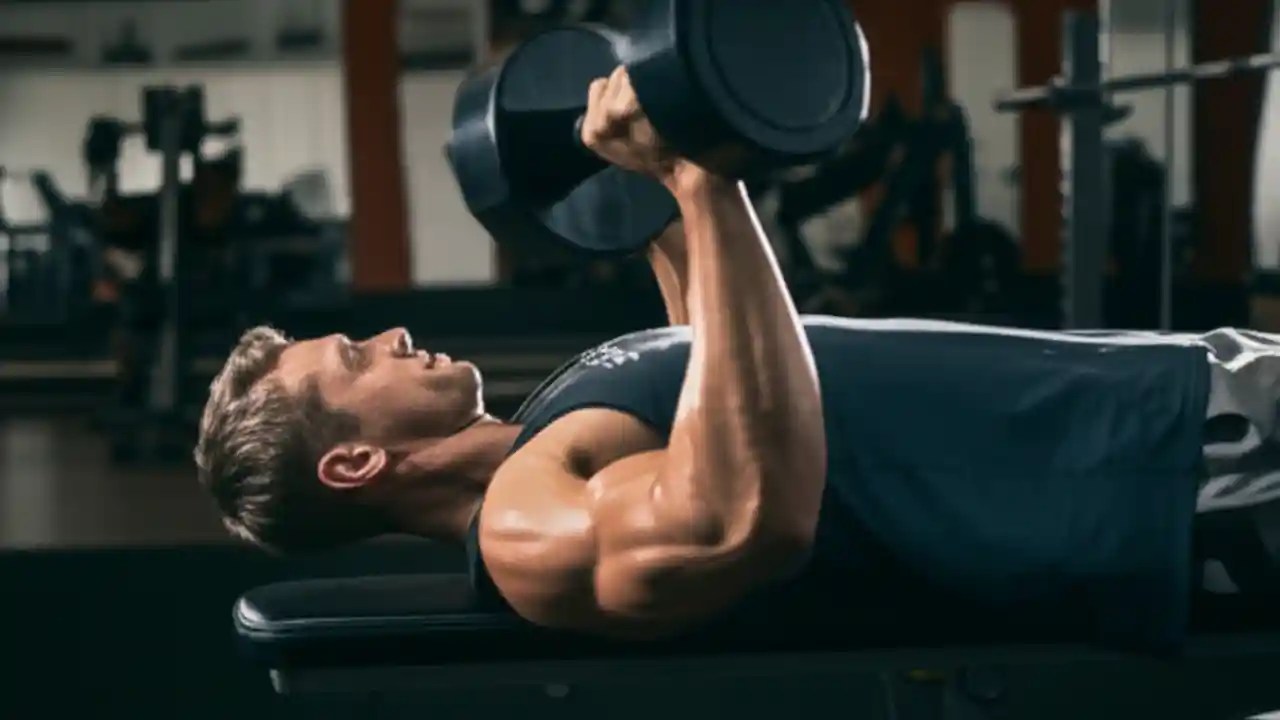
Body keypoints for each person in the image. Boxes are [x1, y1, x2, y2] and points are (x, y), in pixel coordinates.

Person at [195, 67, 1280, 652]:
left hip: (1186, 393)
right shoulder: (525, 527)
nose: (386, 335)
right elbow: (735, 516)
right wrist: (698, 178)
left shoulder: (552, 434)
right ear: (351, 465)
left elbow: (721, 360)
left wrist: (654, 199)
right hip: (1184, 475)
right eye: (352, 357)